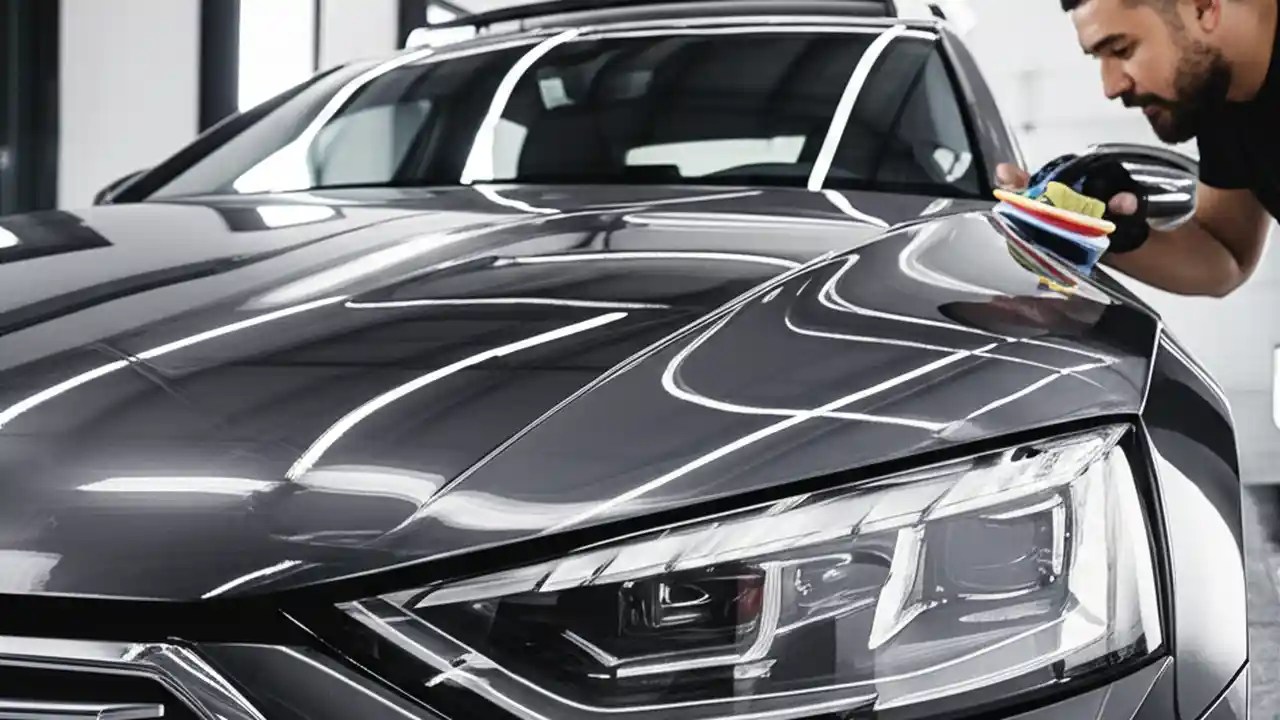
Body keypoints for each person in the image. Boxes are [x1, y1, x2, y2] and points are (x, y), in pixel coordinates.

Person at [996, 0, 1279, 297]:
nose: (1111, 87)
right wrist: (1093, 230)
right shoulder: (1222, 101)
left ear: (1203, 7)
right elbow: (1226, 258)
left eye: (1122, 50)